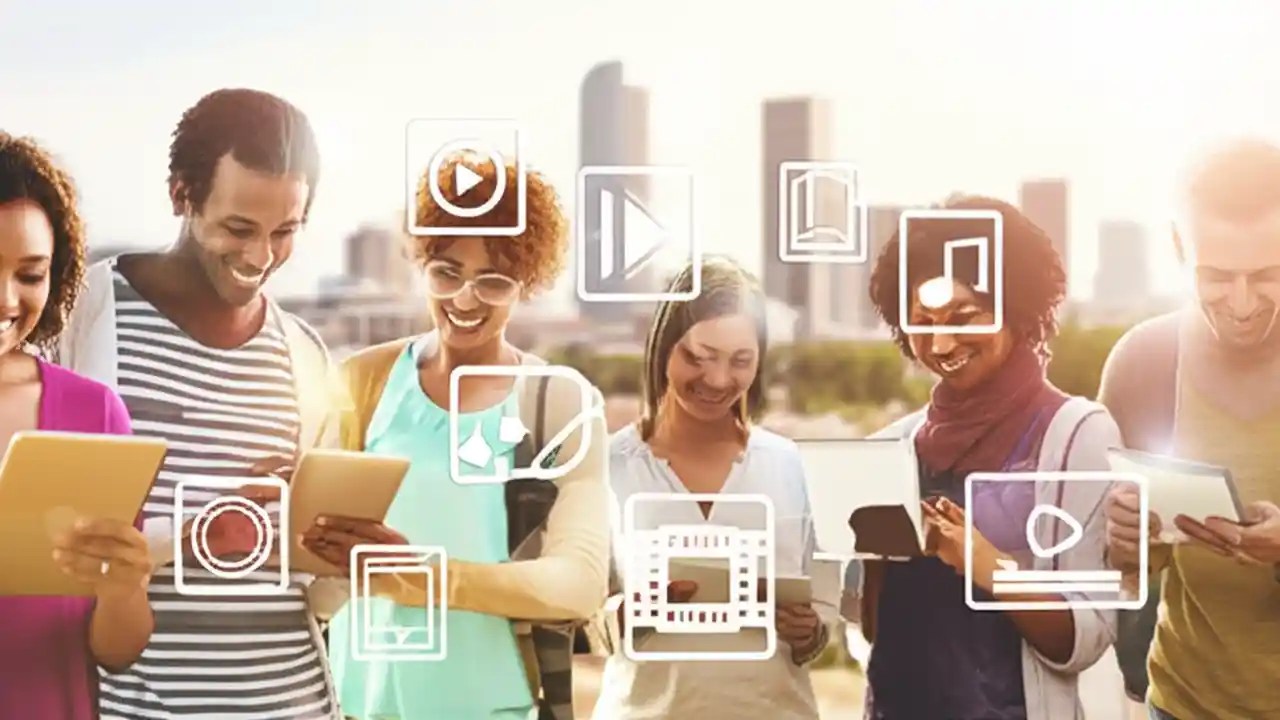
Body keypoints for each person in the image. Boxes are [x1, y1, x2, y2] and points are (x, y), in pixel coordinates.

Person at [55, 89, 345, 719]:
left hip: (294, 702)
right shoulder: (79, 319)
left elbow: (309, 593)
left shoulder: (305, 354)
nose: (261, 257)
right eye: (238, 228)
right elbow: (43, 540)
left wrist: (346, 562)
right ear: (181, 194)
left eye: (285, 231)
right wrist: (193, 533)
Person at [300, 154, 610, 719]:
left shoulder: (558, 400)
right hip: (356, 704)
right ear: (422, 264)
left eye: (493, 281)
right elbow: (321, 586)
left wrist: (425, 579)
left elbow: (580, 584)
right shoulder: (362, 383)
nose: (465, 299)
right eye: (447, 272)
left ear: (526, 283)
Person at [845, 195, 1121, 720]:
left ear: (1016, 307)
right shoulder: (892, 448)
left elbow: (1083, 638)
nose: (941, 342)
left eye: (963, 316)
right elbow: (878, 639)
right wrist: (873, 557)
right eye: (921, 321)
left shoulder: (1074, 434)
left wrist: (985, 564)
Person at [587, 257, 828, 720]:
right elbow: (576, 621)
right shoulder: (607, 466)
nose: (718, 381)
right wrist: (626, 616)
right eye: (698, 357)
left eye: (740, 361)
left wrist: (807, 633)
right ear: (663, 348)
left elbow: (821, 625)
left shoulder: (791, 466)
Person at [1101, 138, 1280, 720]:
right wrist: (1124, 539)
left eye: (1268, 274)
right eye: (1218, 276)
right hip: (1183, 704)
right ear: (1180, 248)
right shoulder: (1143, 363)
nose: (1244, 302)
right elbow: (1118, 579)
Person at [0, 132, 154, 718]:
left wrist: (124, 588)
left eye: (30, 274)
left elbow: (117, 652)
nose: (6, 299)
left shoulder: (94, 416)